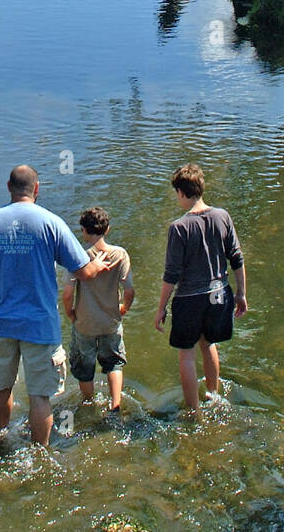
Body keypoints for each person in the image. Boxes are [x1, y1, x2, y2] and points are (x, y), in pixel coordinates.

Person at [0, 165, 113, 446]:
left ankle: (0, 440)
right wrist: (97, 265)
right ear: (37, 189)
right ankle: (39, 454)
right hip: (40, 325)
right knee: (39, 395)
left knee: (0, 388)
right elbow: (82, 272)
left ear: (8, 187)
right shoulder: (51, 223)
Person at [154, 163, 247, 413]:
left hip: (189, 299)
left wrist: (161, 307)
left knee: (186, 354)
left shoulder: (179, 227)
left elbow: (171, 274)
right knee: (208, 345)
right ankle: (213, 397)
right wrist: (241, 293)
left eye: (177, 194)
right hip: (219, 295)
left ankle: (193, 411)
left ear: (182, 193)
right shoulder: (222, 216)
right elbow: (237, 258)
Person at [62, 206, 134, 413]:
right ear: (107, 229)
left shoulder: (78, 257)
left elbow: (67, 294)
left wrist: (70, 313)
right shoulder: (120, 254)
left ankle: (88, 404)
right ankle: (115, 404)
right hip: (111, 321)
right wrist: (124, 308)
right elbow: (129, 290)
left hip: (85, 323)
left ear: (84, 231)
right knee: (114, 364)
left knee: (84, 368)